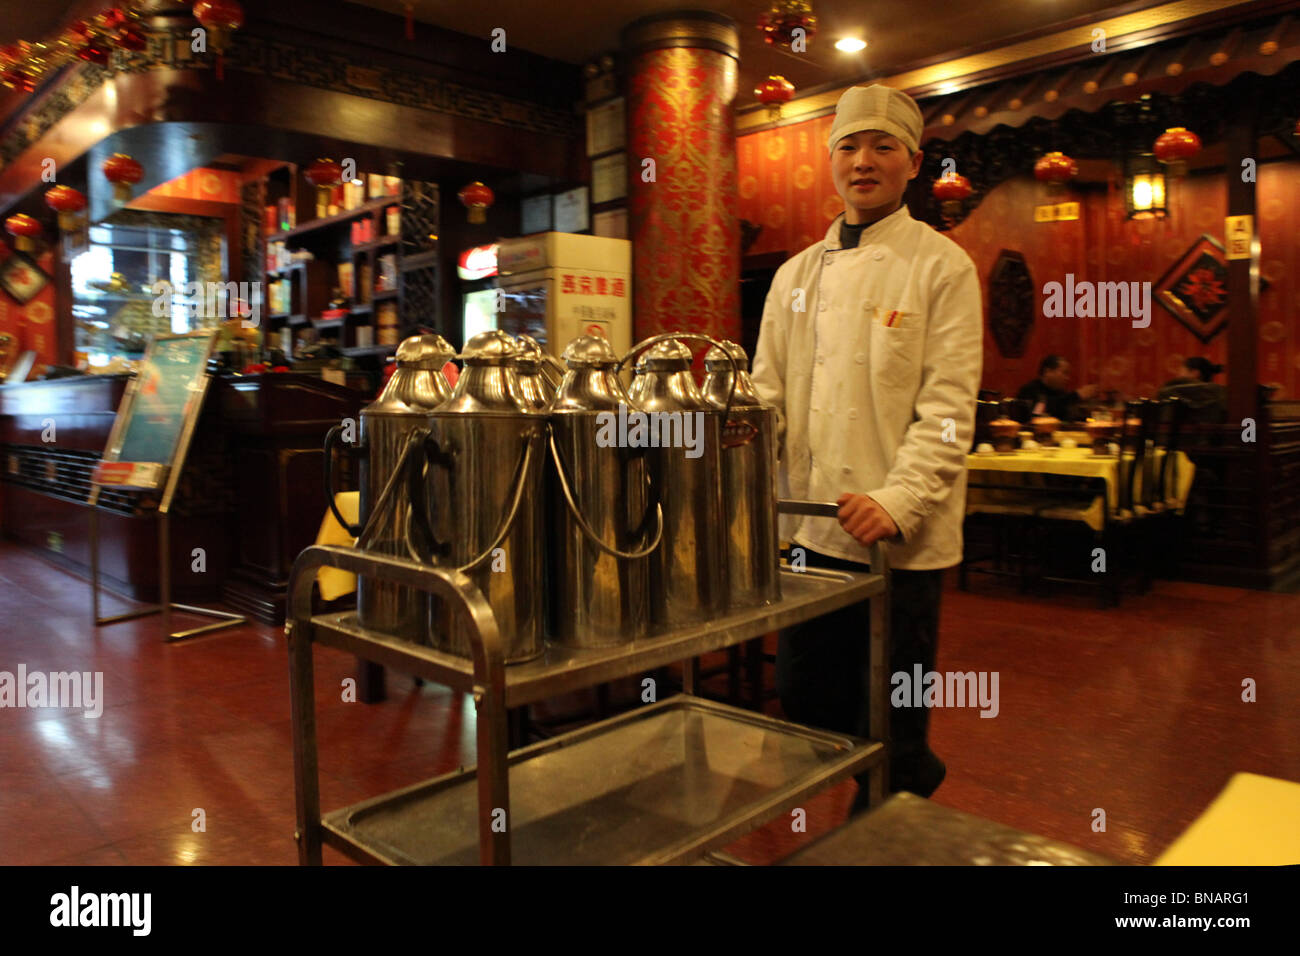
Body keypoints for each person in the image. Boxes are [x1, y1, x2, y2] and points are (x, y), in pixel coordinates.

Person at [751, 85, 983, 810]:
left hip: (897, 540)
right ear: (831, 162)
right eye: (849, 146)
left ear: (912, 163)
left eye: (883, 146)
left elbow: (948, 408)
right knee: (805, 698)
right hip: (809, 527)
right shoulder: (792, 276)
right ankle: (903, 779)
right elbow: (767, 398)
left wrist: (899, 498)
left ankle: (895, 802)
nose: (863, 161)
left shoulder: (942, 267)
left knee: (892, 713)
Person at [1016, 355, 1098, 421]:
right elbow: (1040, 411)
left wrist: (1089, 417)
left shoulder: (1060, 392)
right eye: (1065, 373)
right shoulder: (1030, 390)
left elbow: (1069, 416)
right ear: (1047, 372)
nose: (1067, 378)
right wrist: (1076, 395)